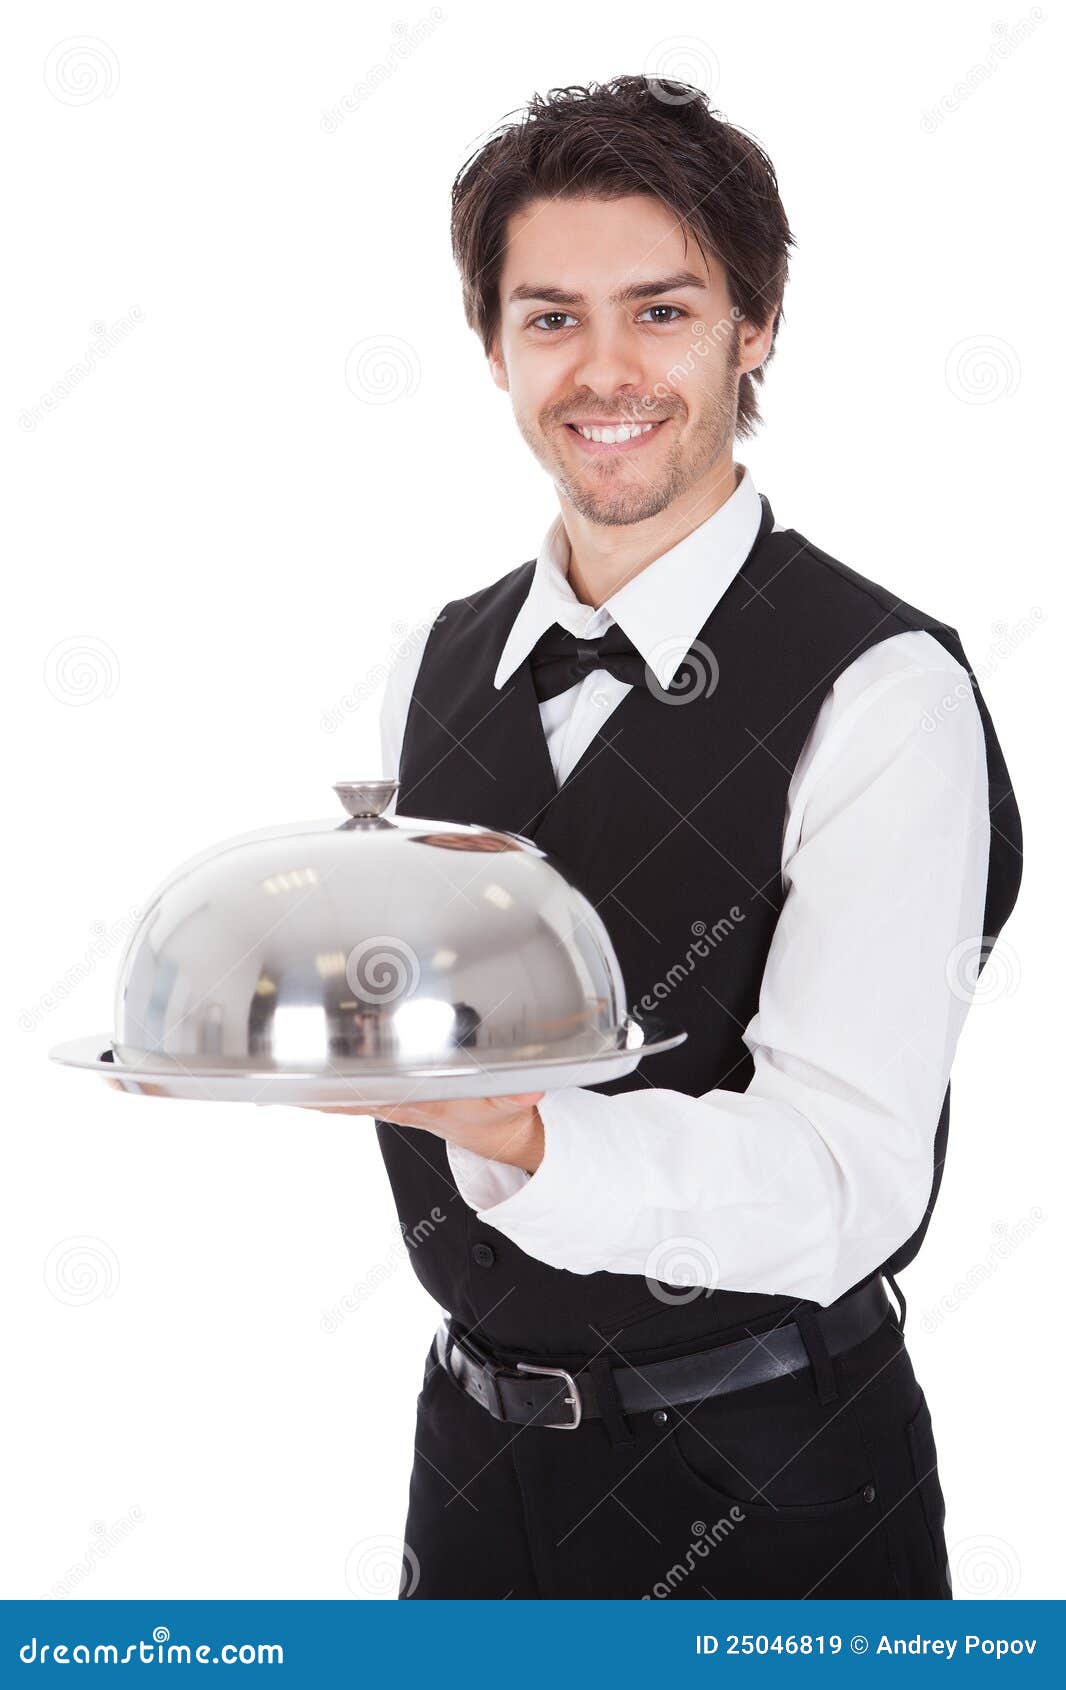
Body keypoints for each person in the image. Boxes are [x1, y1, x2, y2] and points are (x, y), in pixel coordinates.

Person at [335, 76, 1022, 1598]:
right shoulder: (430, 666)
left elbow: (849, 1172)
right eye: (550, 318)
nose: (603, 371)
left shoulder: (882, 688)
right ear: (493, 342)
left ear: (752, 325)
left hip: (772, 1477)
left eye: (659, 311)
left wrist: (523, 1133)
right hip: (470, 1460)